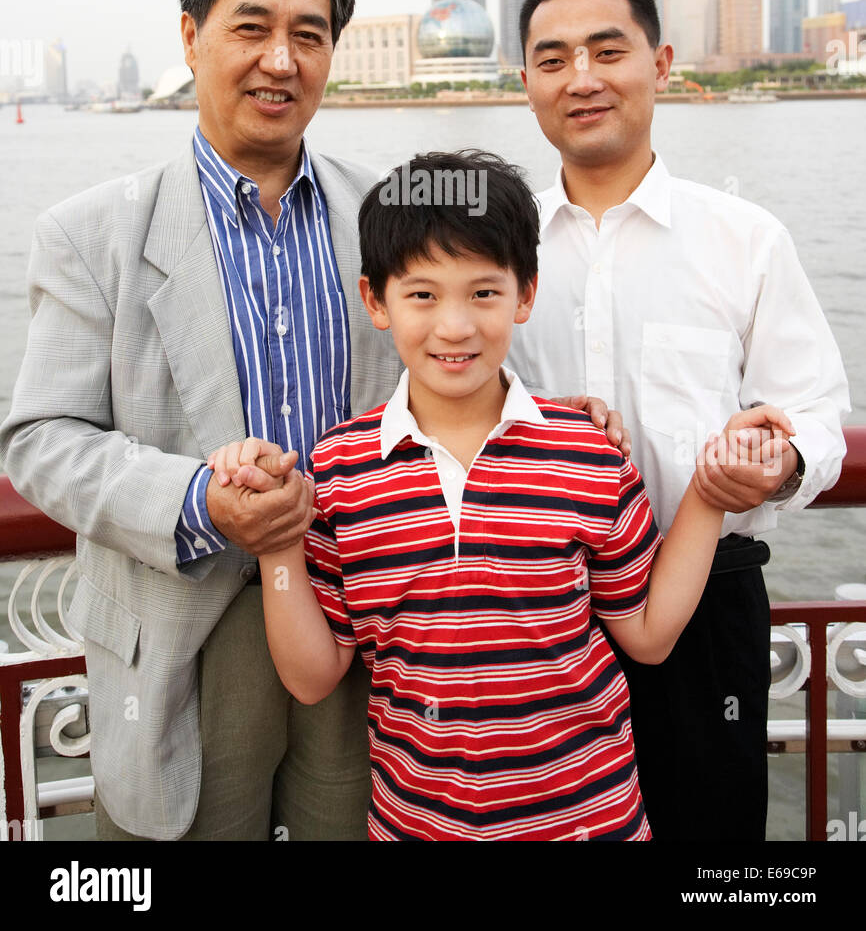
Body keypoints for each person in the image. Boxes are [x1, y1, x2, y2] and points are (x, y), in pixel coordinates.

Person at [225, 150, 782, 841]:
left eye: (484, 293)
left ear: (525, 295)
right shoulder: (339, 469)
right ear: (375, 300)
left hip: (592, 823)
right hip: (416, 827)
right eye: (422, 295)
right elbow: (313, 677)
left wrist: (709, 490)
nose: (455, 326)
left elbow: (649, 633)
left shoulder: (586, 451)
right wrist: (276, 540)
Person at [0, 0, 409, 841]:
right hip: (184, 630)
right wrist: (200, 502)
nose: (280, 60)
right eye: (250, 28)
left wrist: (552, 412)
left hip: (366, 628)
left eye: (309, 35)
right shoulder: (92, 234)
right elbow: (42, 440)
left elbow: (456, 371)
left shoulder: (390, 213)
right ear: (191, 37)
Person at [506, 0, 850, 841]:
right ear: (527, 83)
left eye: (608, 51)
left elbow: (814, 412)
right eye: (554, 59)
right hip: (538, 605)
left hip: (707, 603)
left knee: (712, 840)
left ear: (660, 64)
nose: (582, 78)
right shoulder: (497, 252)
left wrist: (777, 464)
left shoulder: (744, 238)